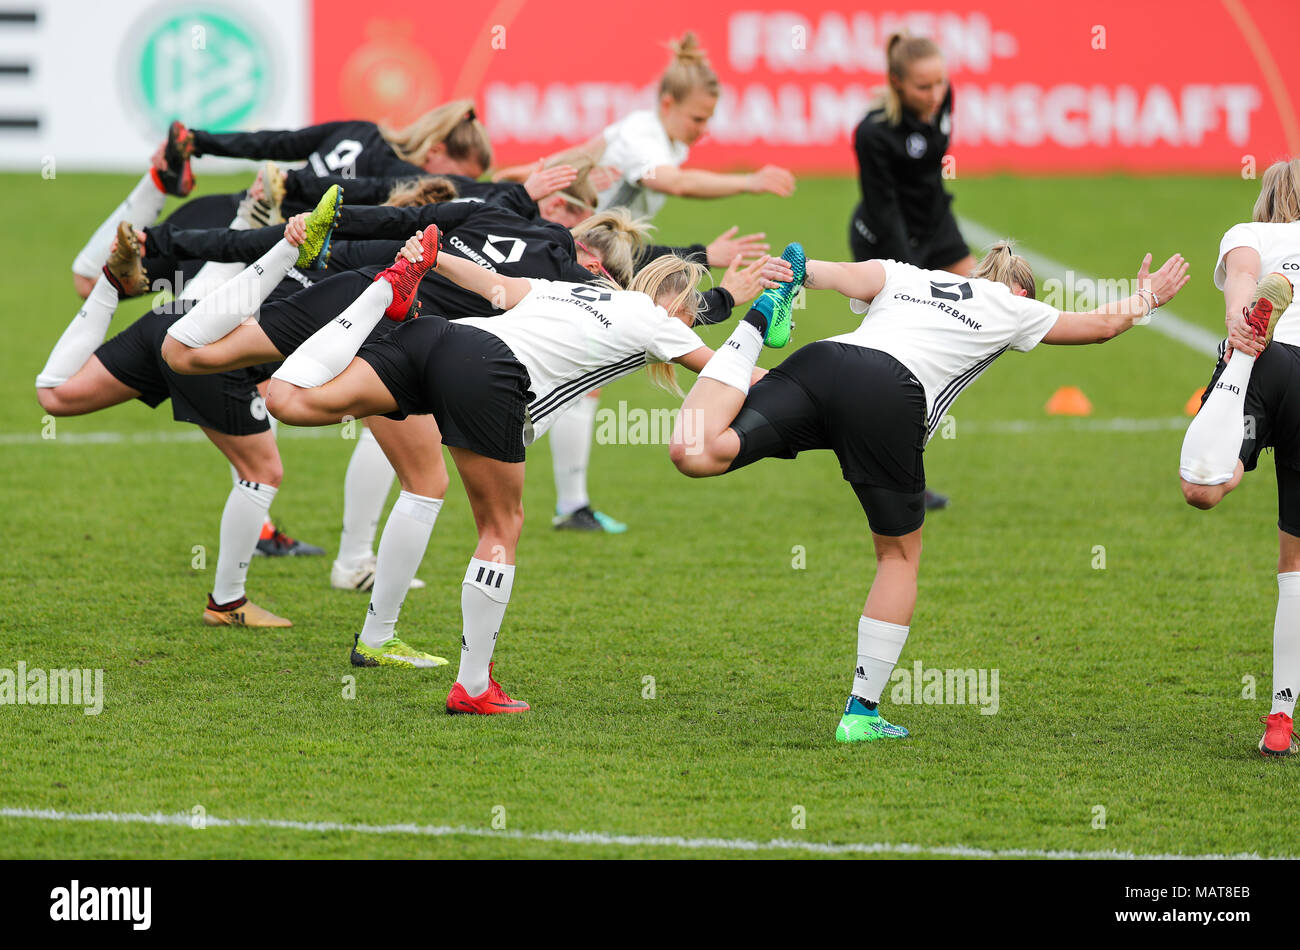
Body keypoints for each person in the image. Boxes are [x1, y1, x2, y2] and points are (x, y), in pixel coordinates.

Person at [669, 241, 1189, 744]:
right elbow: (1098, 327)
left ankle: (755, 325)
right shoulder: (1012, 307)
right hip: (889, 394)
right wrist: (1146, 299)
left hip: (823, 362)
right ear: (1022, 293)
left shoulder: (910, 274)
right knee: (898, 557)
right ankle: (861, 714)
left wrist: (794, 273)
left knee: (697, 452)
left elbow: (818, 272)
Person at [263, 227, 783, 713]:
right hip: (487, 371)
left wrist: (432, 258)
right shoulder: (658, 321)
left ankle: (382, 293)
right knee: (501, 526)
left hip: (437, 336)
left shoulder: (575, 291)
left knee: (291, 403)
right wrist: (804, 380)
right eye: (691, 314)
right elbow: (728, 372)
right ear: (676, 303)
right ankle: (472, 686)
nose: (689, 325)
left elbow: (495, 287)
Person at [497, 32, 797, 533]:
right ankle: (552, 490)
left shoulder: (645, 134)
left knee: (577, 373)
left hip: (578, 257)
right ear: (667, 103)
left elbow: (617, 235)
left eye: (708, 121)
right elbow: (670, 185)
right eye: (697, 119)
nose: (701, 132)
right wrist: (748, 182)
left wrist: (702, 254)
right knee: (565, 369)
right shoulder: (644, 139)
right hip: (557, 256)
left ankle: (566, 500)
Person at [36, 199, 340, 628]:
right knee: (263, 471)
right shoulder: (359, 270)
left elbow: (225, 244)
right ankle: (227, 602)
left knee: (54, 396)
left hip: (172, 317)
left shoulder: (293, 233)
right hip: (209, 350)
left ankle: (109, 284)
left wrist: (160, 239)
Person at [1176, 158, 1300, 757]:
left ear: (1269, 196)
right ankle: (1280, 719)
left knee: (1206, 486)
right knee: (1294, 562)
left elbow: (1246, 274)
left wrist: (1240, 325)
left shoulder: (1250, 234)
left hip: (1264, 360)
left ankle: (1217, 472)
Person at [850, 32, 974, 512]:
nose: (936, 94)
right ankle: (899, 474)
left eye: (940, 82)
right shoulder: (873, 133)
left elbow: (929, 179)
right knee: (898, 362)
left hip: (937, 228)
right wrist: (911, 280)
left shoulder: (944, 100)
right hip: (886, 244)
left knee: (994, 308)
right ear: (897, 83)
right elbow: (885, 213)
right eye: (923, 87)